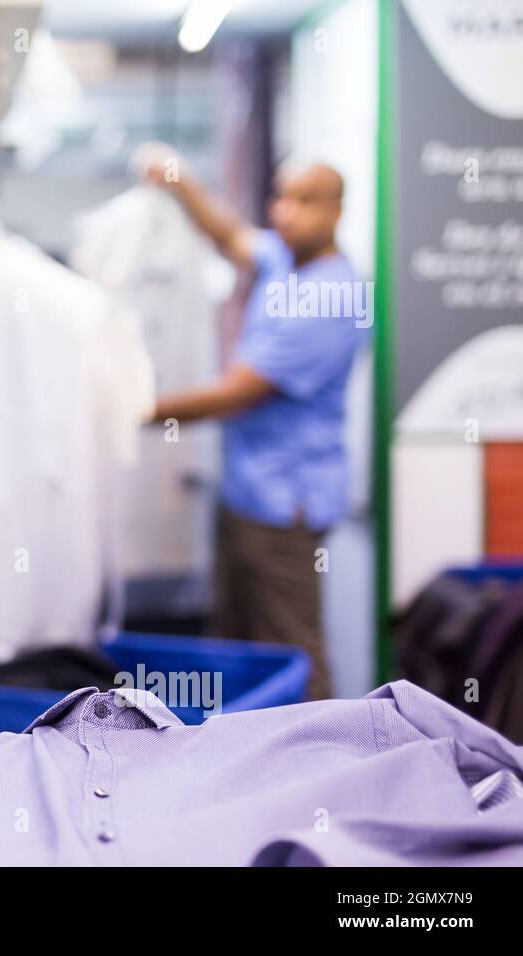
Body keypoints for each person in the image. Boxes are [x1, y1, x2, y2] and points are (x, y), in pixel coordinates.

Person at [140, 147, 369, 700]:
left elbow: (237, 394)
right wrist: (181, 178)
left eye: (306, 200)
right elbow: (230, 236)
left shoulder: (330, 296)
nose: (287, 212)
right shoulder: (285, 261)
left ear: (337, 210)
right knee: (239, 646)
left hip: (285, 507)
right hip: (248, 495)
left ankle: (328, 767)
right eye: (281, 197)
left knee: (292, 649)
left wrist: (130, 410)